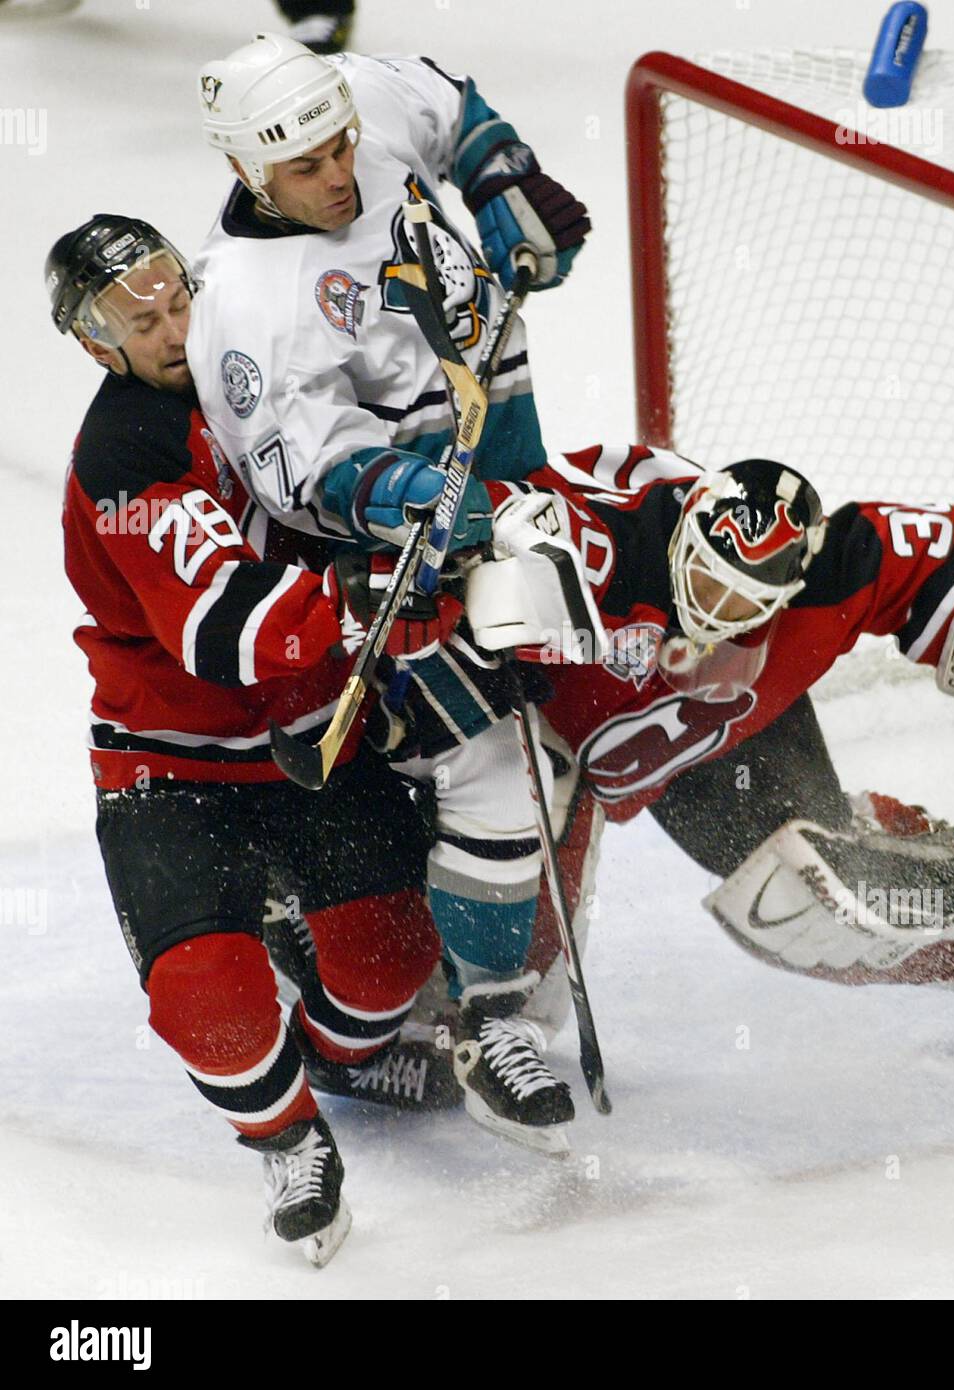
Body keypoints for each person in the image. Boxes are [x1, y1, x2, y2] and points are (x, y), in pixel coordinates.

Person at [185, 32, 592, 1154]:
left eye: (341, 146)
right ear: (249, 172)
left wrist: (506, 176)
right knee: (491, 761)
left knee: (559, 722)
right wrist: (406, 493)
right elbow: (303, 472)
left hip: (501, 485)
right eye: (308, 166)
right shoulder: (246, 304)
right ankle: (486, 1017)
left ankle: (494, 961)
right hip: (371, 569)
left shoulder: (352, 99)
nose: (341, 170)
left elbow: (450, 106)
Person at [51, 213, 464, 1268]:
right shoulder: (126, 451)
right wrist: (370, 595)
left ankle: (337, 1059)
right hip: (172, 759)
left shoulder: (252, 361)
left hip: (310, 725)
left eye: (165, 284)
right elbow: (227, 622)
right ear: (94, 343)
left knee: (388, 965)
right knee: (208, 1003)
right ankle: (286, 1137)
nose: (161, 315)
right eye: (125, 312)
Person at [459, 445, 954, 1013]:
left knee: (807, 904)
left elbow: (930, 552)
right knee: (509, 1001)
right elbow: (478, 533)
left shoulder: (821, 568)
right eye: (707, 586)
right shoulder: (604, 553)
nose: (714, 615)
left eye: (744, 603)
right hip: (557, 737)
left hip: (714, 740)